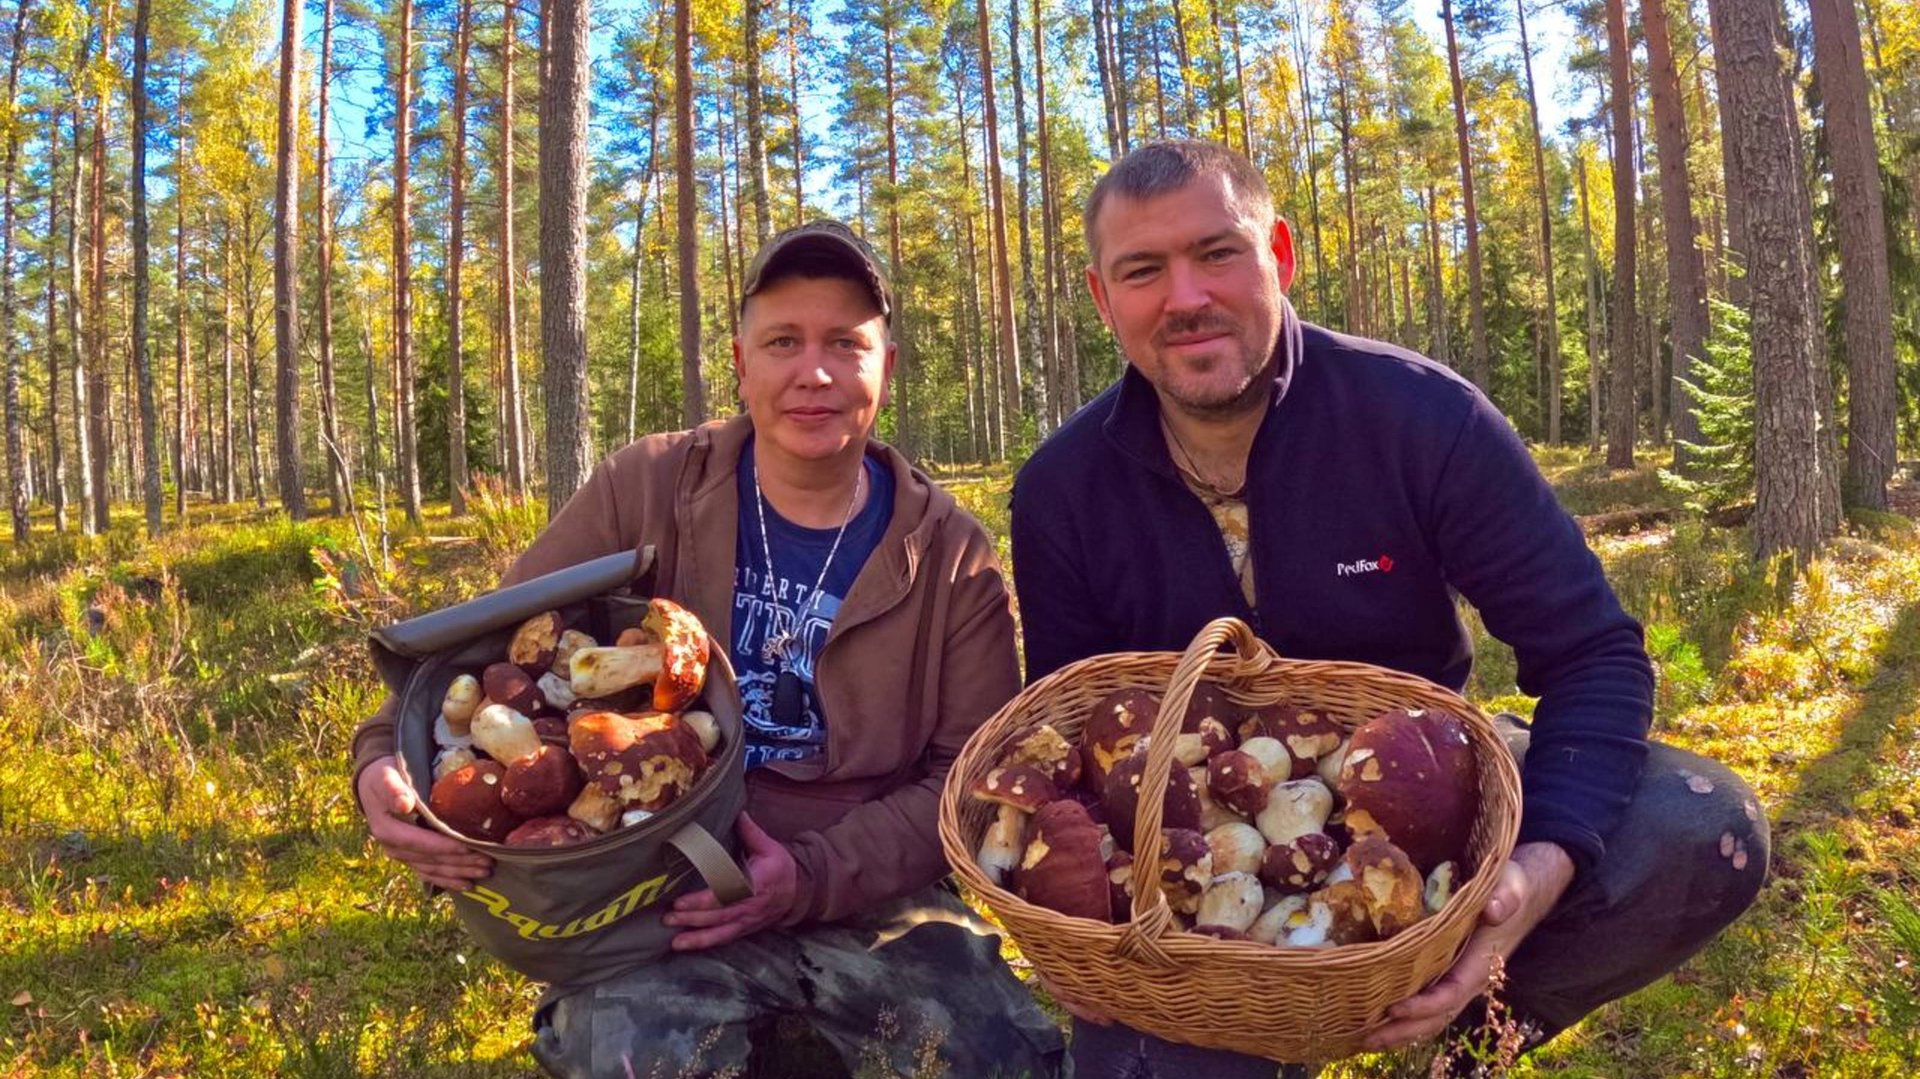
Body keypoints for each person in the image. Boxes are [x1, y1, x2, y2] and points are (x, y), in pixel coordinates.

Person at [1009, 140, 1768, 1077]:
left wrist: (1536, 873)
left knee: (1702, 826)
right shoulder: (1062, 489)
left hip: (1437, 783)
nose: (1185, 297)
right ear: (1102, 298)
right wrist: (1081, 935)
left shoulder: (1420, 420)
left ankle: (1462, 1033)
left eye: (1218, 252)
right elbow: (1069, 735)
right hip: (1203, 877)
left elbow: (1593, 656)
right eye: (1143, 271)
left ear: (1278, 256)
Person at [353, 220, 1065, 1079]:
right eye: (783, 341)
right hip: (655, 890)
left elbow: (966, 783)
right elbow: (481, 647)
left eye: (846, 342)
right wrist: (376, 760)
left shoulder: (949, 554)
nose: (815, 372)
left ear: (887, 362)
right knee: (630, 1054)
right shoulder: (648, 486)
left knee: (1004, 1056)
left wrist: (808, 875)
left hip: (872, 891)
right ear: (740, 359)